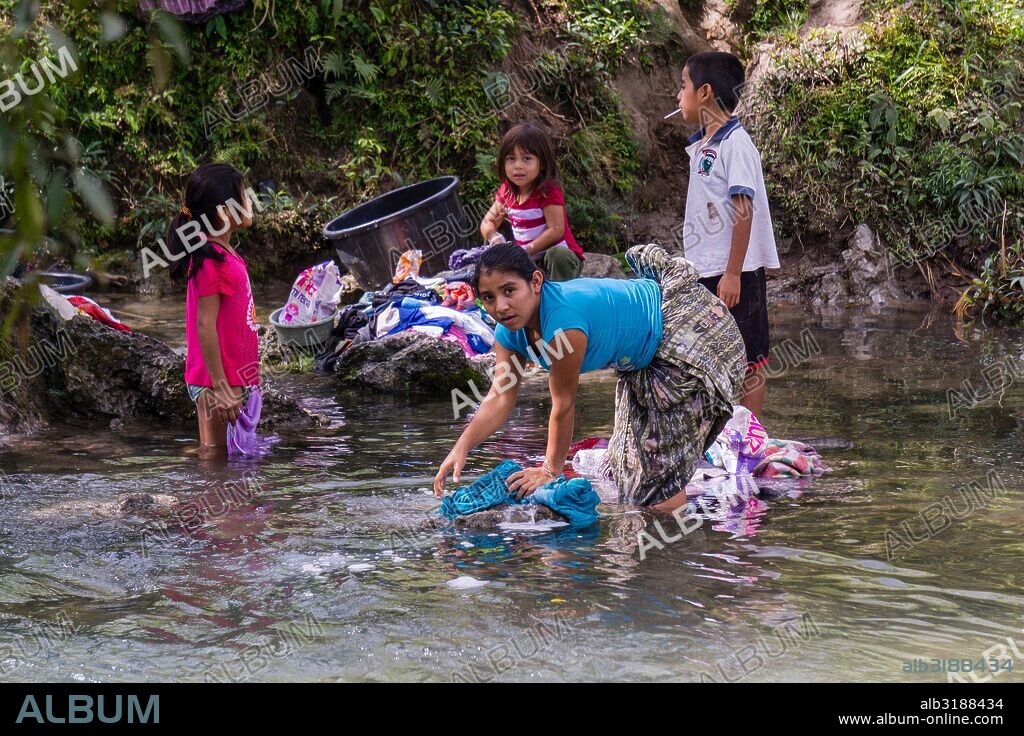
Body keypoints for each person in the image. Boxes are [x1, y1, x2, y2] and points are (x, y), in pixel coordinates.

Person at [433, 243, 746, 511]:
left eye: (509, 290)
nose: (500, 306)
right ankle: (646, 554)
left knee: (659, 484)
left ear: (536, 282)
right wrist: (462, 447)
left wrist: (549, 470)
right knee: (630, 471)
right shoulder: (509, 333)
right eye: (488, 298)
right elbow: (501, 395)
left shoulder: (563, 325)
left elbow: (564, 404)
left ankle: (668, 565)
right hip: (639, 361)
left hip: (685, 331)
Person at [676, 51, 780, 418]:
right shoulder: (705, 143)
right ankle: (714, 432)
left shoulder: (736, 145)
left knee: (750, 357)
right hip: (705, 271)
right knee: (705, 353)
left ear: (704, 92)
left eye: (683, 86)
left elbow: (743, 208)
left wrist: (733, 272)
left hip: (737, 272)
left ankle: (751, 434)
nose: (679, 95)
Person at [167, 163, 259, 459]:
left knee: (226, 455)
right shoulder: (210, 261)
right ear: (222, 213)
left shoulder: (225, 254)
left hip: (231, 379)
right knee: (216, 458)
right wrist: (221, 388)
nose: (250, 201)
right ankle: (203, 502)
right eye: (243, 197)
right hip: (215, 382)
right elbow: (204, 326)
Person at [479, 121, 585, 282]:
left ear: (542, 163)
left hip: (558, 260)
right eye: (511, 159)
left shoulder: (547, 191)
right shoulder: (507, 191)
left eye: (527, 158)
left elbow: (556, 229)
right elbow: (488, 222)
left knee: (558, 255)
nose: (518, 166)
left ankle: (563, 298)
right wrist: (495, 238)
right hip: (529, 260)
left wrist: (526, 250)